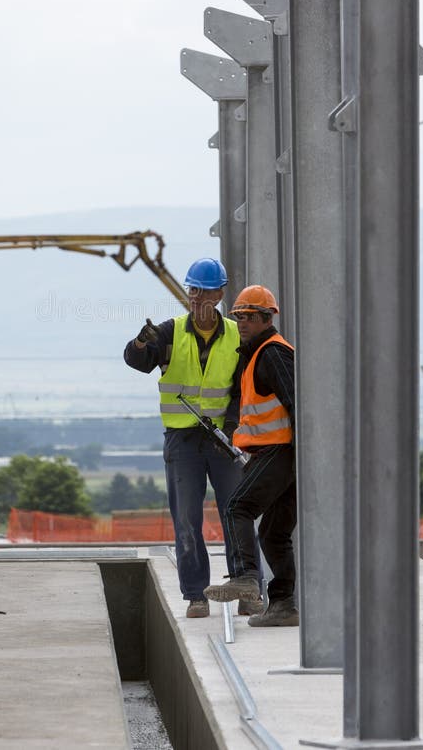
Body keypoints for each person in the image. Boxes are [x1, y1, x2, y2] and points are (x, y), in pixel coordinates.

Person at [124, 258, 263, 619]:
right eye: (193, 290)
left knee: (237, 514)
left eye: (206, 290)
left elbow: (243, 388)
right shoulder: (170, 332)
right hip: (182, 442)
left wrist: (231, 428)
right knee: (186, 518)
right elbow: (137, 361)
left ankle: (248, 588)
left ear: (220, 293)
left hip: (224, 441)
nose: (198, 297)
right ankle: (196, 595)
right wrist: (140, 344)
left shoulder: (236, 335)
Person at [204, 285, 298, 627]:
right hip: (278, 453)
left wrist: (298, 457)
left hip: (280, 452)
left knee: (236, 507)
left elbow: (295, 403)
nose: (241, 323)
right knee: (273, 533)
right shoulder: (256, 353)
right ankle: (284, 605)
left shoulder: (273, 354)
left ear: (266, 318)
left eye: (248, 317)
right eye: (238, 317)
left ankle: (245, 576)